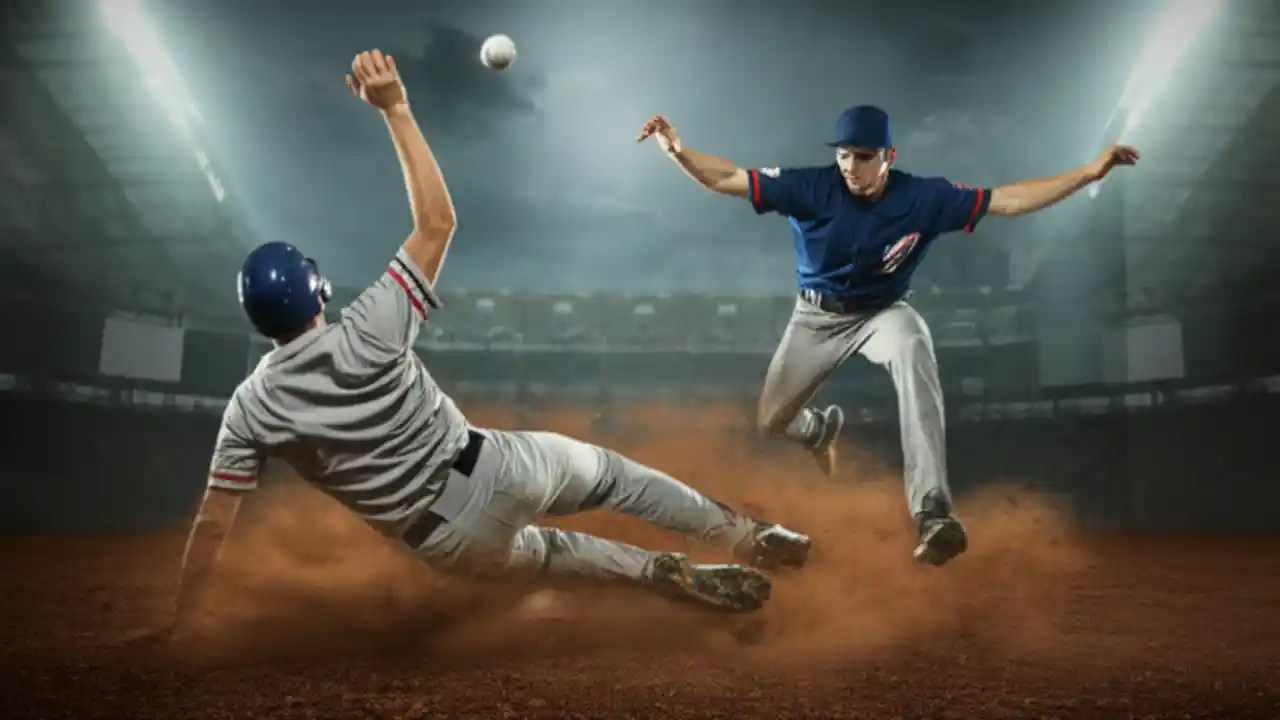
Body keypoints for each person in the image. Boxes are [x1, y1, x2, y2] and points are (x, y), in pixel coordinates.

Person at [147, 50, 810, 641]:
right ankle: (748, 536)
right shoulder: (372, 325)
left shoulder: (251, 407)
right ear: (318, 292)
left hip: (442, 542)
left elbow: (214, 520)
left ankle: (658, 572)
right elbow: (438, 221)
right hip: (494, 465)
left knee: (553, 556)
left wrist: (183, 618)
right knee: (612, 478)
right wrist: (396, 109)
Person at [636, 105, 1139, 566]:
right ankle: (817, 431)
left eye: (863, 156)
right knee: (770, 420)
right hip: (814, 319)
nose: (851, 166)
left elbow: (1006, 200)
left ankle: (933, 510)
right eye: (843, 155)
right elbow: (726, 177)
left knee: (914, 343)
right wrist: (678, 151)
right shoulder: (810, 187)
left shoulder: (924, 197)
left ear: (888, 157)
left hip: (883, 313)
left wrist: (1087, 173)